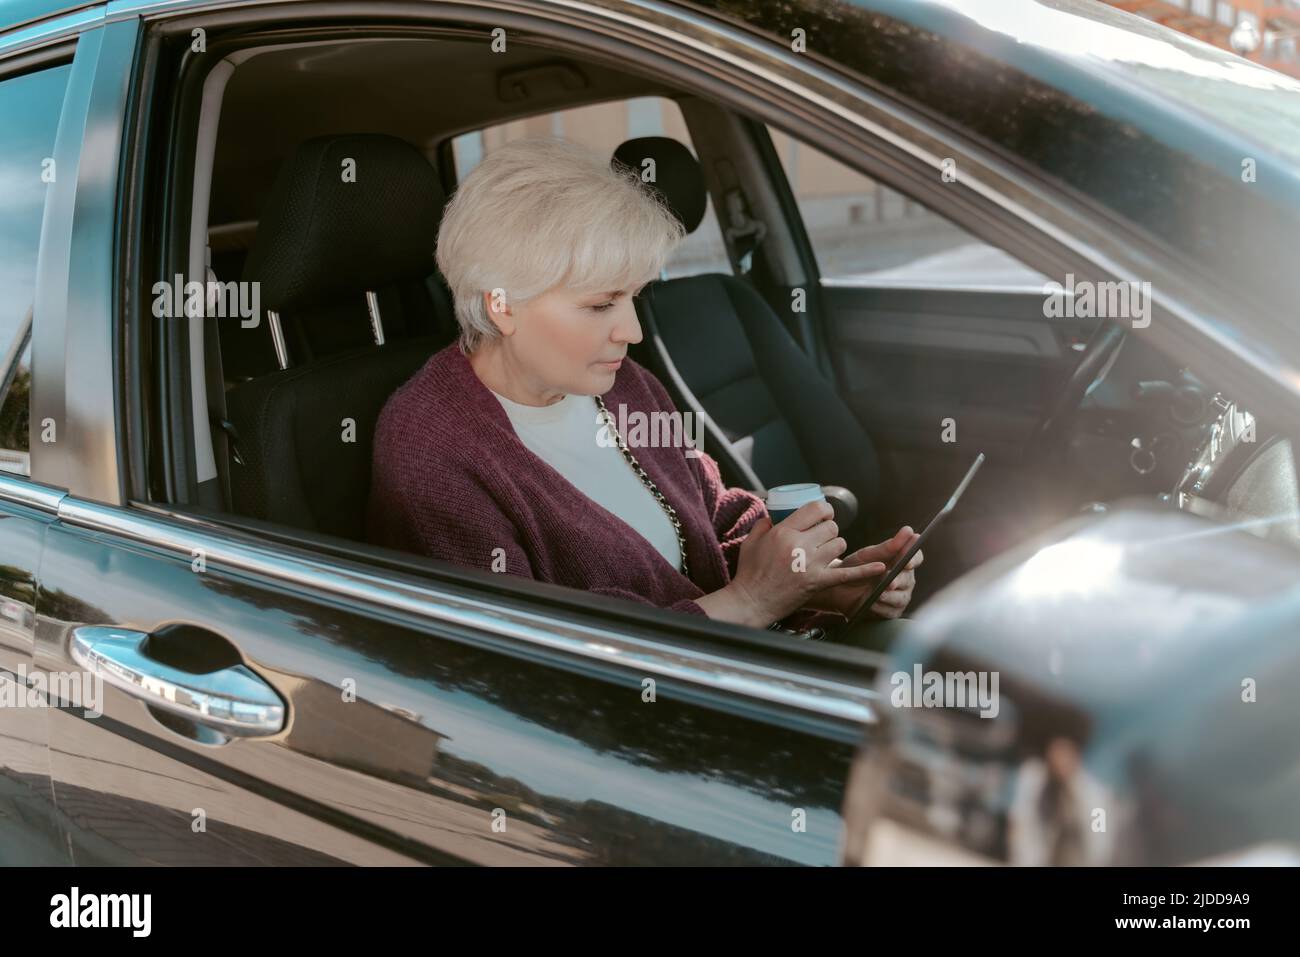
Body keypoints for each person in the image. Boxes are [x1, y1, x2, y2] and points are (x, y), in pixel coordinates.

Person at [366, 137, 920, 639]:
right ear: (502, 306)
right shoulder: (429, 453)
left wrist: (818, 585)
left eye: (634, 297)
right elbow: (533, 661)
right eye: (601, 304)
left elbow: (716, 516)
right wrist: (751, 600)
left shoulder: (626, 386)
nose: (631, 331)